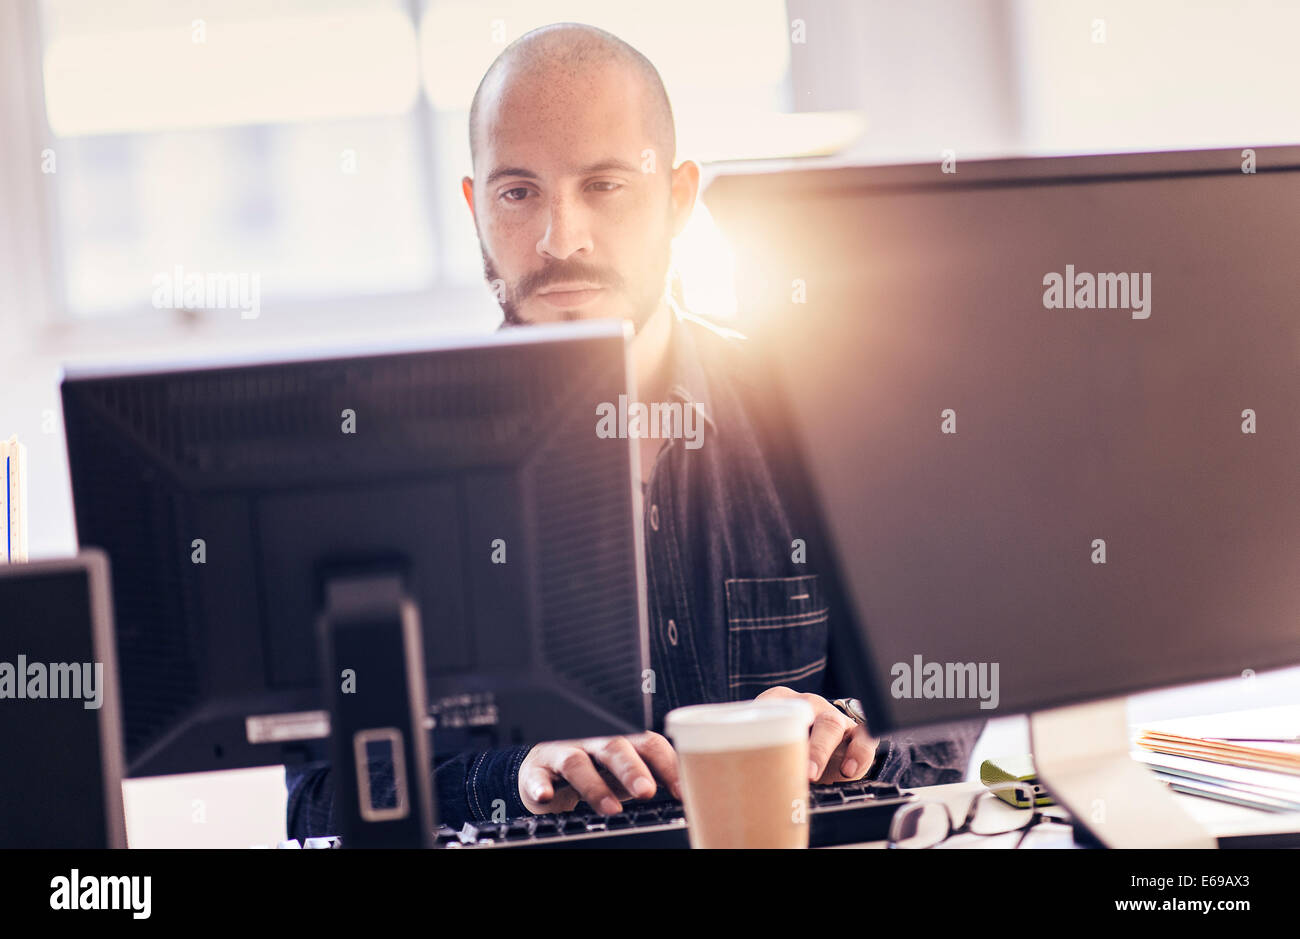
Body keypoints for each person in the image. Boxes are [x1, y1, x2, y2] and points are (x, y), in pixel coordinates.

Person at [287, 22, 984, 837]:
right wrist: (510, 776)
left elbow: (949, 705)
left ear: (678, 198)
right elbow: (318, 801)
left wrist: (854, 732)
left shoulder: (822, 410)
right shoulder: (386, 468)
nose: (561, 239)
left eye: (605, 185)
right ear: (477, 207)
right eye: (519, 192)